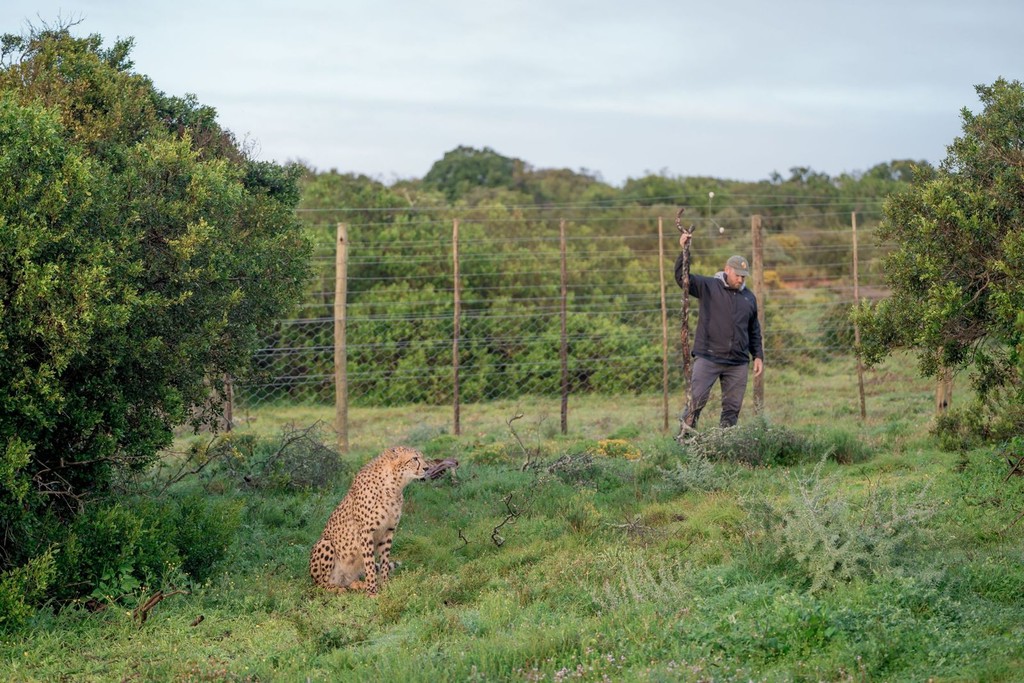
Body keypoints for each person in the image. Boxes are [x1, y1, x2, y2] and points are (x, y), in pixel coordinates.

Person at [674, 232, 764, 432]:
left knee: (732, 410)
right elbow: (683, 279)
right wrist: (684, 251)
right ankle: (684, 444)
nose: (741, 280)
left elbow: (753, 328)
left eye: (743, 277)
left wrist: (758, 355)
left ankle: (724, 448)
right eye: (737, 275)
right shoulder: (709, 286)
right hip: (709, 358)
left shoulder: (749, 298)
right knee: (694, 405)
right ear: (727, 270)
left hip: (738, 363)